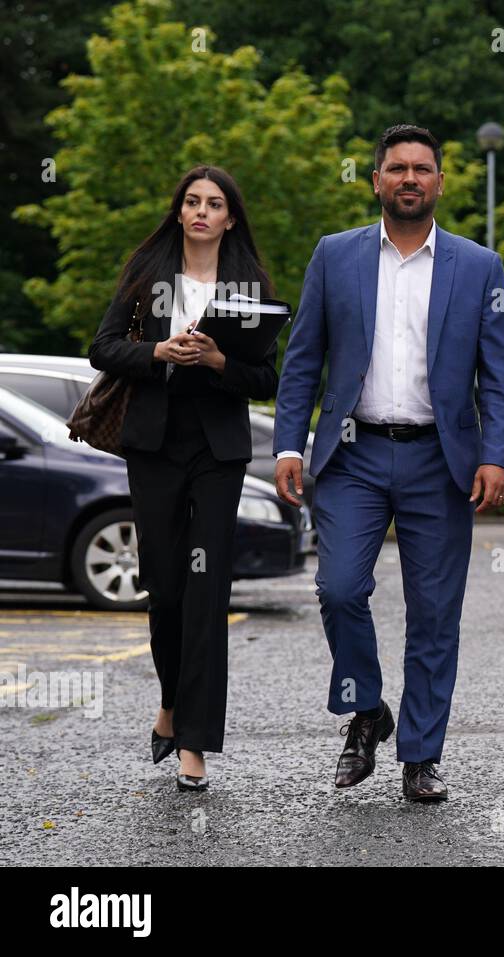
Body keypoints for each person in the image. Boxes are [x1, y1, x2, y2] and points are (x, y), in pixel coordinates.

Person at [273, 124, 504, 802]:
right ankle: (366, 708)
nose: (409, 179)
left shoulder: (478, 267)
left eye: (422, 169)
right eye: (396, 168)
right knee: (340, 589)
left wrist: (496, 453)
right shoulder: (335, 256)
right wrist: (290, 443)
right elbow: (302, 362)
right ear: (376, 180)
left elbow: (500, 374)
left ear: (440, 182)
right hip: (350, 455)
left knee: (435, 613)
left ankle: (420, 754)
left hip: (440, 461)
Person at [89, 165, 280, 792]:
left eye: (215, 203)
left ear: (230, 217)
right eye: (192, 202)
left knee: (207, 594)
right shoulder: (148, 277)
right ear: (179, 212)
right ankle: (171, 704)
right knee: (167, 588)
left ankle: (194, 742)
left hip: (218, 451)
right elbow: (102, 347)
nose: (202, 211)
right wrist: (156, 353)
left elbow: (266, 378)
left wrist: (220, 358)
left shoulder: (249, 283)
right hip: (155, 446)